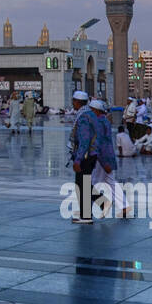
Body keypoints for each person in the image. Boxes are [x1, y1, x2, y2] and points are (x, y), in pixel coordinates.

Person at [67, 90, 98, 223]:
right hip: (90, 154)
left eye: (73, 101)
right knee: (84, 183)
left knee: (82, 184)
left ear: (78, 102)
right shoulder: (89, 114)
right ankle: (94, 207)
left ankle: (86, 216)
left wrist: (78, 159)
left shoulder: (84, 117)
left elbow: (84, 141)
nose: (72, 103)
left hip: (85, 156)